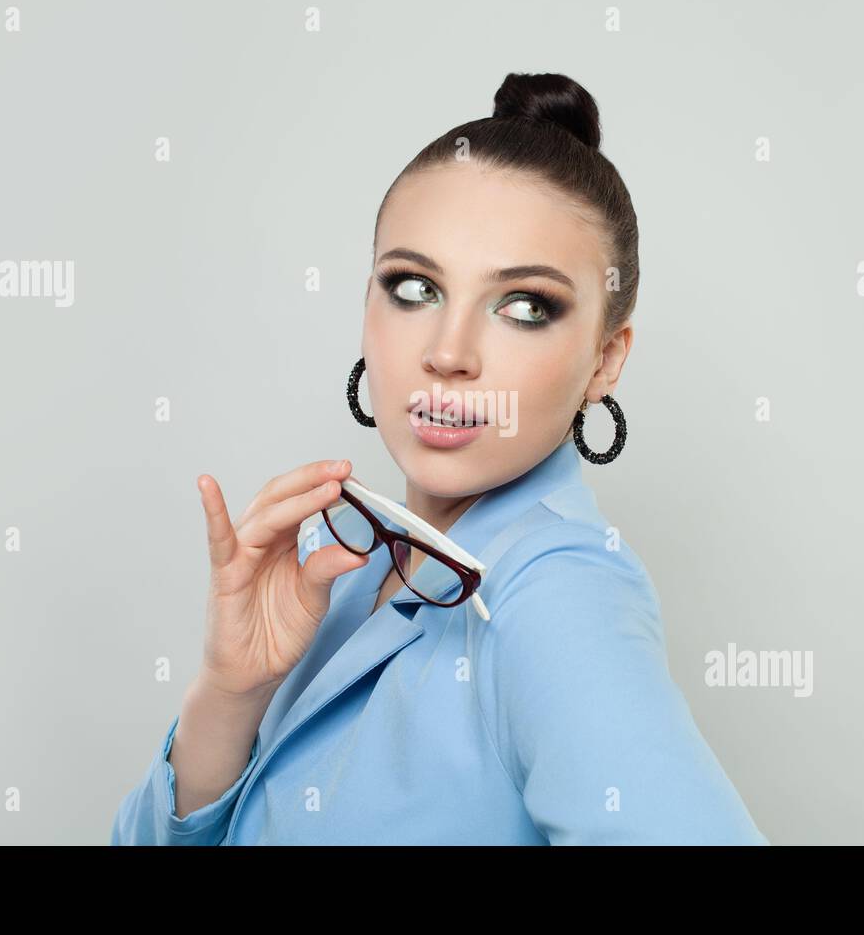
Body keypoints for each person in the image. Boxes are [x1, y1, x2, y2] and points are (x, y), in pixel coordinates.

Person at [111, 72, 768, 845]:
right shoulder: (341, 565)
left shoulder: (556, 596)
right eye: (414, 288)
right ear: (367, 308)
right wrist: (231, 693)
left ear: (604, 360)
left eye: (525, 306)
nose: (449, 354)